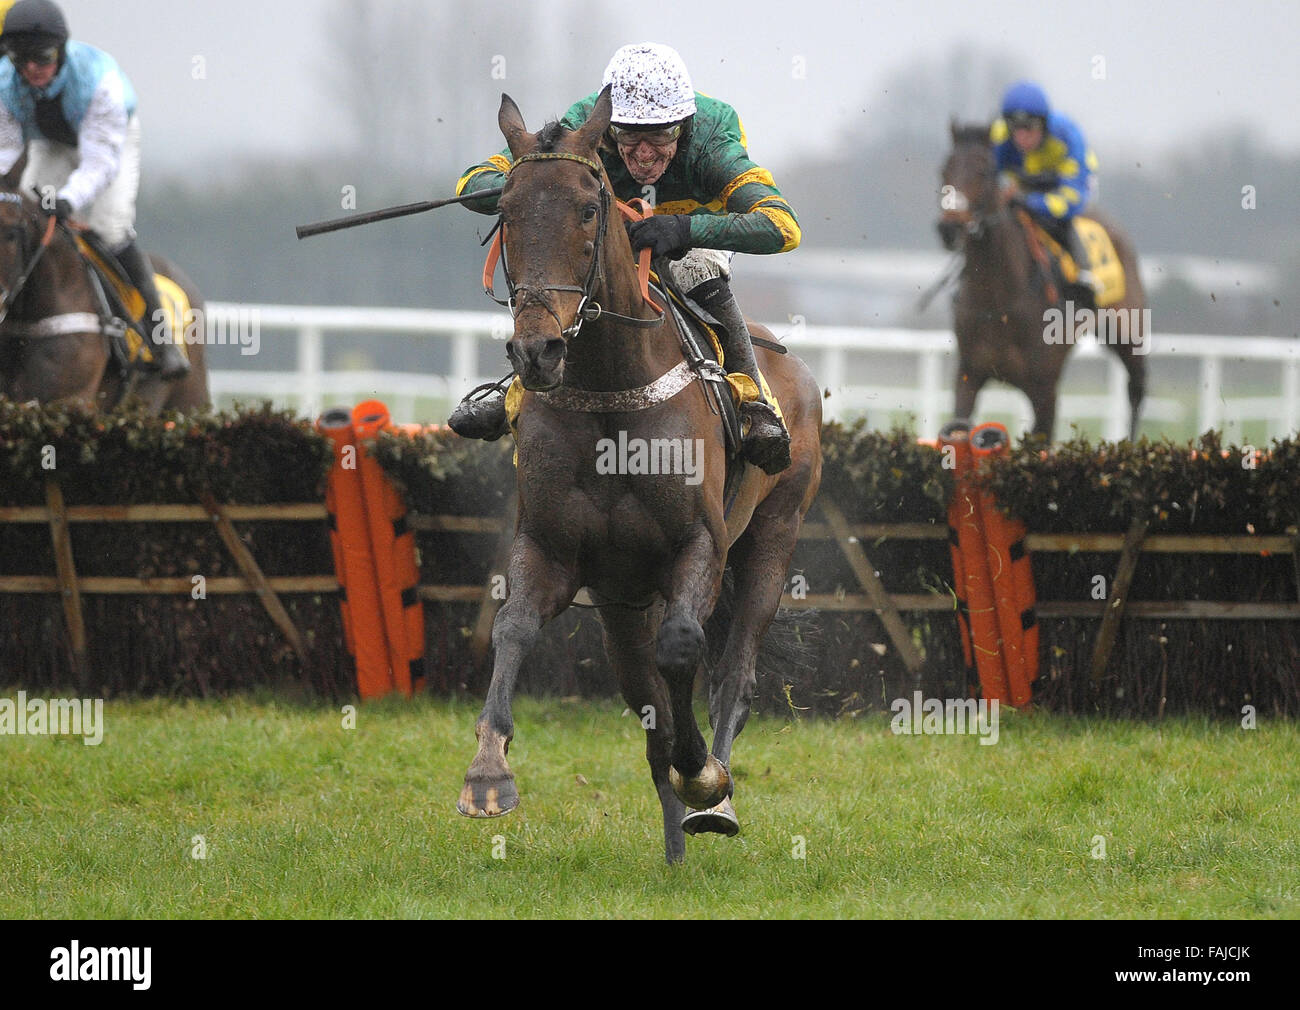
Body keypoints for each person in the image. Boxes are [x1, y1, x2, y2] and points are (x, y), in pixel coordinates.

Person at [450, 41, 799, 475]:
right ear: (608, 128)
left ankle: (756, 404)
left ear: (684, 125)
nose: (645, 153)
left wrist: (684, 229)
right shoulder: (583, 126)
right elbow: (471, 182)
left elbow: (782, 227)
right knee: (575, 278)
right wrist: (532, 188)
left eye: (661, 136)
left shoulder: (712, 139)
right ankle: (516, 390)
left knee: (696, 269)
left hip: (691, 240)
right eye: (629, 136)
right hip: (609, 236)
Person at [0, 0, 189, 379]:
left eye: (43, 58)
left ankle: (160, 339)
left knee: (110, 225)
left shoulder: (99, 81)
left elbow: (99, 163)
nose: (32, 69)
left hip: (108, 144)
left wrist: (68, 199)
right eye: (22, 60)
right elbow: (6, 148)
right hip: (49, 143)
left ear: (62, 50)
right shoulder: (6, 79)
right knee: (24, 220)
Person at [991, 80, 1099, 309]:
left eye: (1029, 128)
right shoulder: (999, 136)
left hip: (1068, 185)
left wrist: (1030, 202)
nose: (1022, 138)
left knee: (1059, 221)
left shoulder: (1067, 137)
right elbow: (989, 178)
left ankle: (1084, 275)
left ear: (1044, 125)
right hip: (1026, 183)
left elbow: (1070, 201)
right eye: (1015, 129)